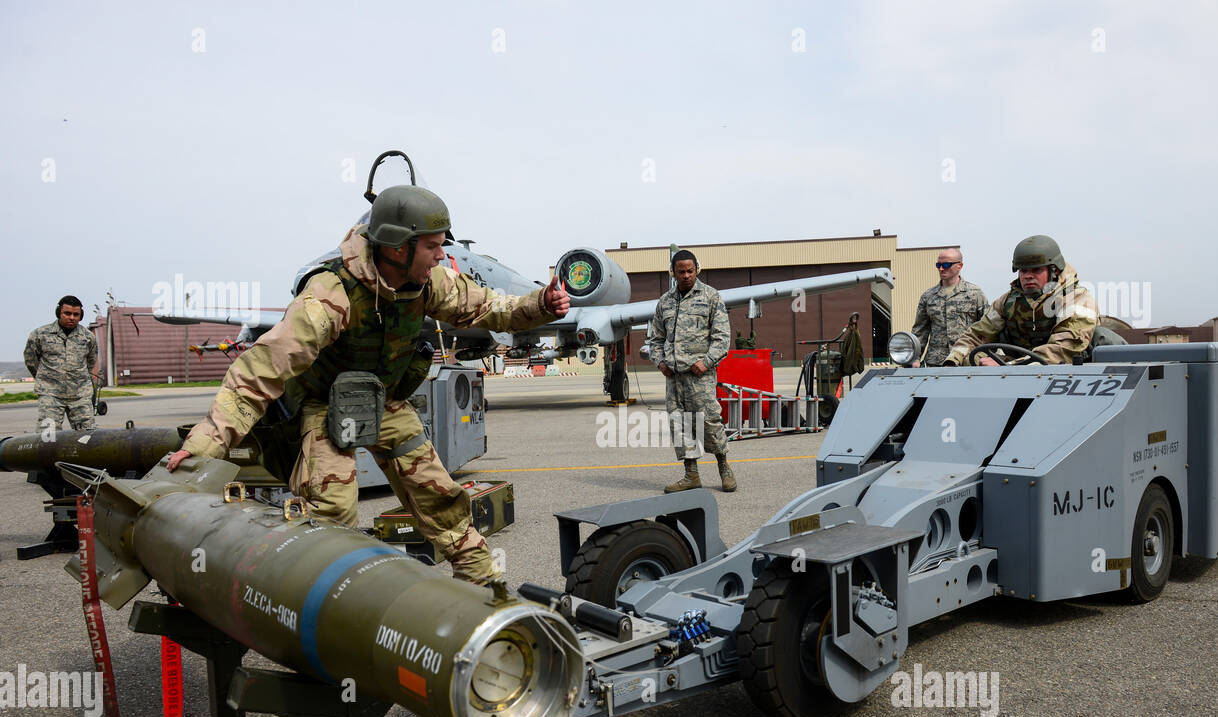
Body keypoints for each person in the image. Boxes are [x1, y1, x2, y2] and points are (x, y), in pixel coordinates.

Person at [167, 185, 570, 585]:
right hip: (324, 408)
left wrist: (540, 305)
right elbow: (256, 374)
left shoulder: (431, 283)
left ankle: (483, 585)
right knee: (332, 513)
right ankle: (326, 601)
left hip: (386, 404)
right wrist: (202, 450)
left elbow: (489, 307)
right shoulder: (330, 295)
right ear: (399, 248)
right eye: (432, 246)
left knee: (439, 496)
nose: (442, 256)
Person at [646, 249, 735, 493]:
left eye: (690, 270)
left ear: (697, 269)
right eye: (681, 271)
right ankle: (691, 474)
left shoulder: (711, 297)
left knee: (709, 422)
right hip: (674, 378)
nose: (686, 275)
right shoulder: (664, 302)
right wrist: (660, 362)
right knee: (681, 424)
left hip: (700, 377)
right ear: (672, 273)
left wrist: (706, 362)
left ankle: (724, 468)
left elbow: (722, 337)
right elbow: (655, 338)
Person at [944, 235, 1099, 366]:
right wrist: (952, 361)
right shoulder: (1007, 302)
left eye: (1036, 270)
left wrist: (1009, 367)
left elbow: (1065, 348)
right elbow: (977, 335)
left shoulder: (1077, 299)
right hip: (1023, 368)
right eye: (1023, 270)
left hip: (1071, 374)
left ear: (1054, 270)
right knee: (972, 358)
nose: (1028, 276)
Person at [25, 295, 99, 431]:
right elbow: (31, 360)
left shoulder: (88, 337)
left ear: (80, 316)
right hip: (51, 394)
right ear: (59, 313)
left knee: (88, 435)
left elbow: (91, 361)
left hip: (80, 394)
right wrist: (46, 378)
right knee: (48, 435)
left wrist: (78, 378)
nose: (72, 317)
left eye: (76, 314)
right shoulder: (40, 335)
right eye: (67, 313)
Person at [911, 248, 987, 366]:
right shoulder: (928, 296)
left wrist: (987, 356)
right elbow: (920, 331)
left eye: (946, 265)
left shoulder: (974, 294)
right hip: (936, 363)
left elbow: (987, 328)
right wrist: (915, 358)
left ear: (959, 266)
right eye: (938, 265)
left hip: (967, 361)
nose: (941, 269)